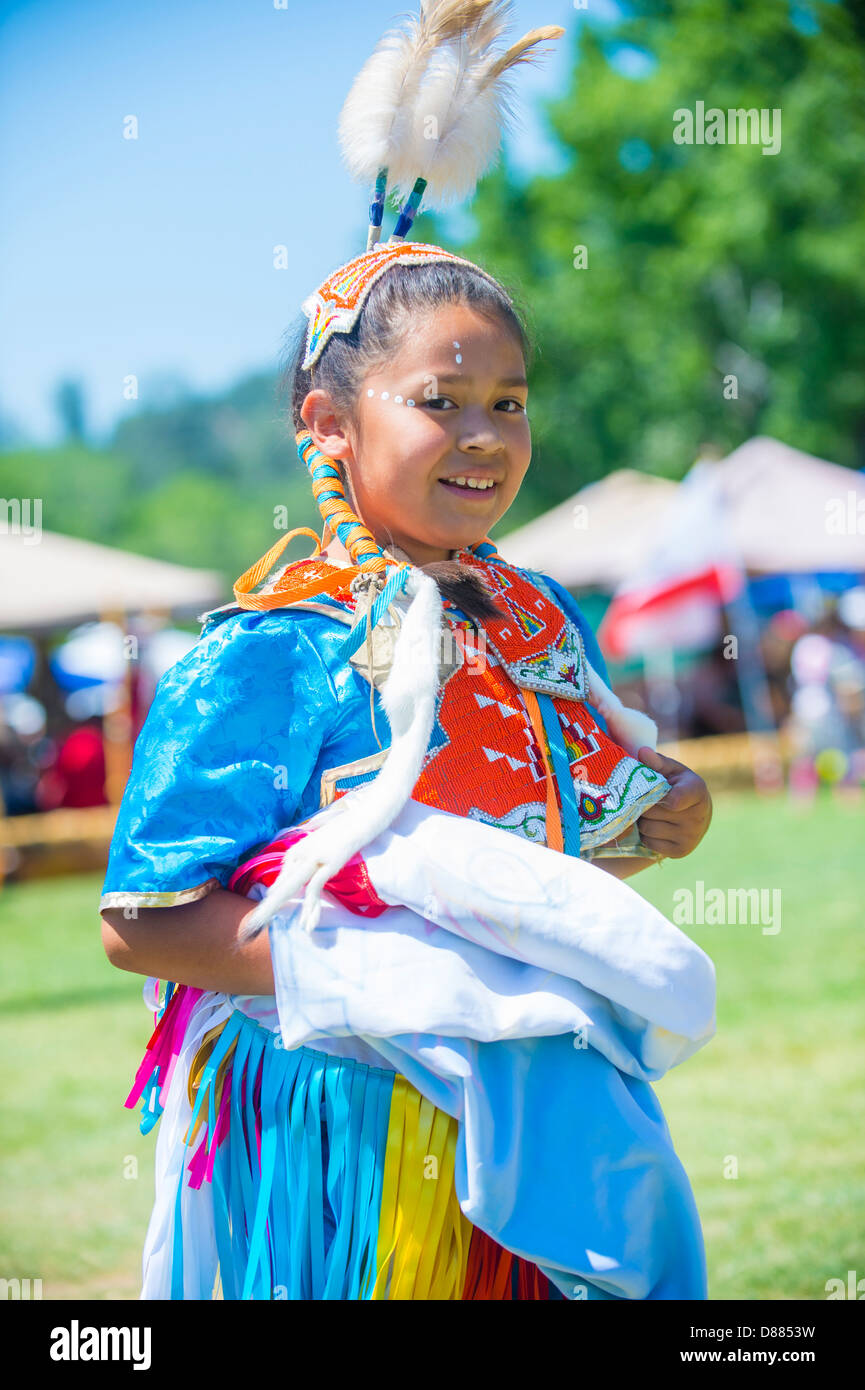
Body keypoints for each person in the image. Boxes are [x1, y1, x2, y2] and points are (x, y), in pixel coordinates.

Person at [100, 1, 714, 1300]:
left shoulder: (533, 614)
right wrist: (381, 975)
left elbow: (540, 843)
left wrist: (656, 810)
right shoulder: (281, 643)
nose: (483, 434)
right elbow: (145, 921)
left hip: (521, 1100)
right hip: (340, 1121)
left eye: (506, 401)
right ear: (327, 420)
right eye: (437, 402)